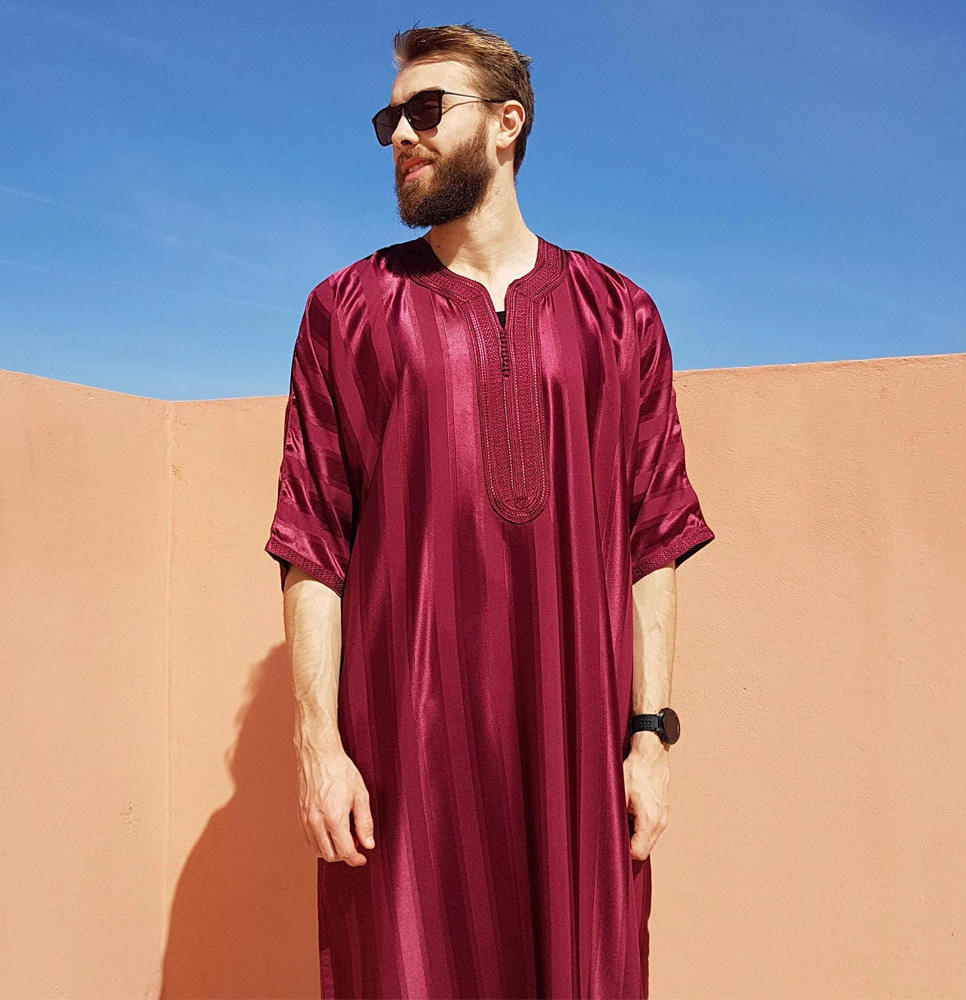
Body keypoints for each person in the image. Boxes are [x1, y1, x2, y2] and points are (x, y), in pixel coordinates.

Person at [264, 22, 716, 1000]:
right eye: (390, 119)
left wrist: (648, 740)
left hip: (576, 763)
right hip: (402, 769)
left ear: (507, 124)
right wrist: (318, 746)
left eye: (427, 111)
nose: (401, 136)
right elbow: (312, 543)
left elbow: (654, 540)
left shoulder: (619, 316)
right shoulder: (347, 311)